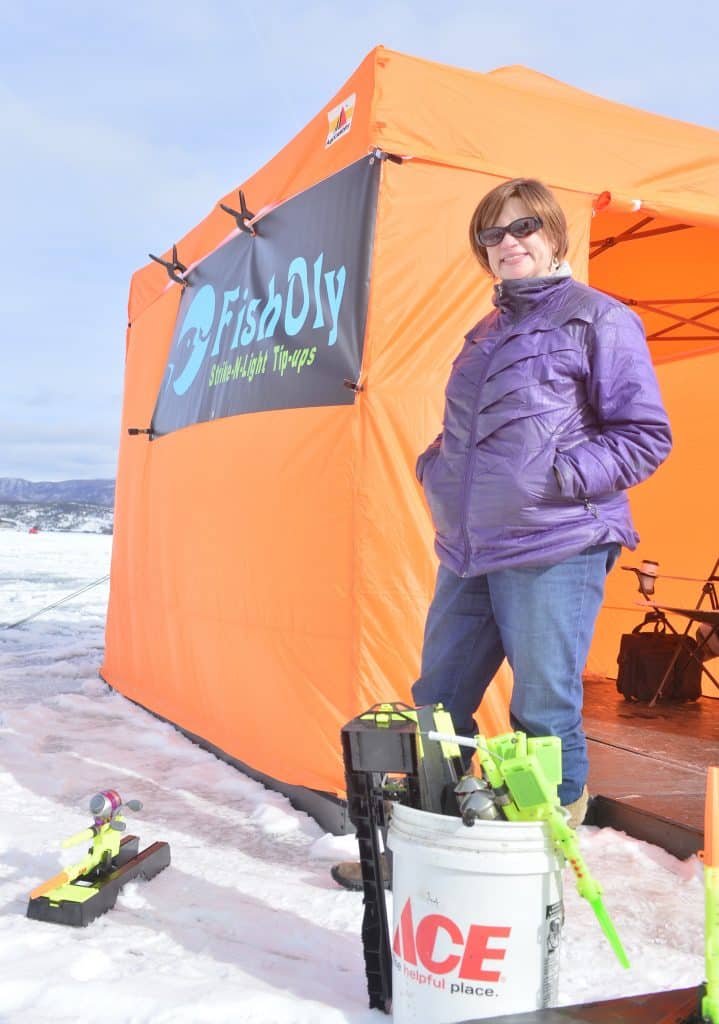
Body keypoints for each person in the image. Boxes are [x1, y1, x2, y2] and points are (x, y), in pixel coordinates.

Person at [331, 178, 672, 890]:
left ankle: (536, 852)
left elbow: (643, 436)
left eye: (521, 228)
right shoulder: (485, 332)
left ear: (553, 234)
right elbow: (469, 433)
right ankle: (425, 848)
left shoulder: (598, 319)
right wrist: (438, 470)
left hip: (555, 541)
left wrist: (548, 478)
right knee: (439, 699)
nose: (506, 242)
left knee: (541, 705)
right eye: (491, 234)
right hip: (470, 544)